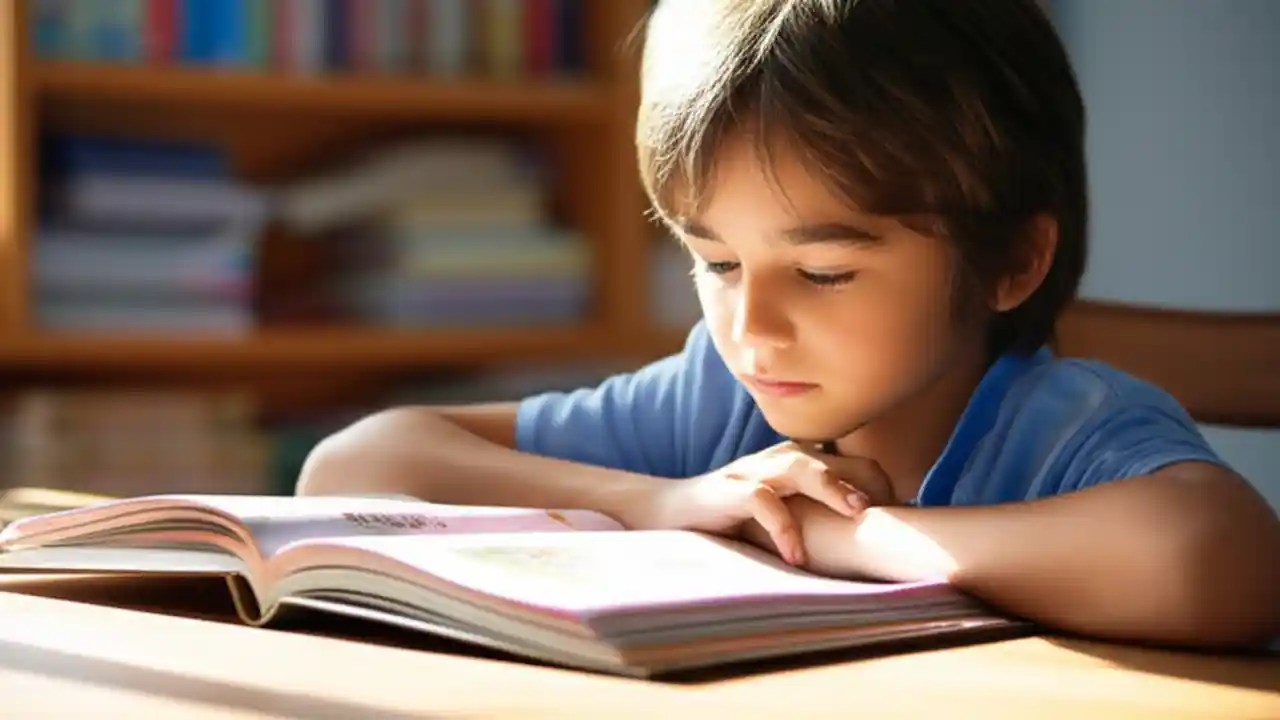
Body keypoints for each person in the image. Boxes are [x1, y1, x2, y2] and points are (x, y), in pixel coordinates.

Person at [297, 0, 1279, 648]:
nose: (752, 326)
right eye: (715, 262)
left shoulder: (1056, 423)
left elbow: (1212, 561)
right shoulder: (716, 411)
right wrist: (656, 501)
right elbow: (353, 465)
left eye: (822, 271)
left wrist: (855, 538)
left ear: (1010, 261)